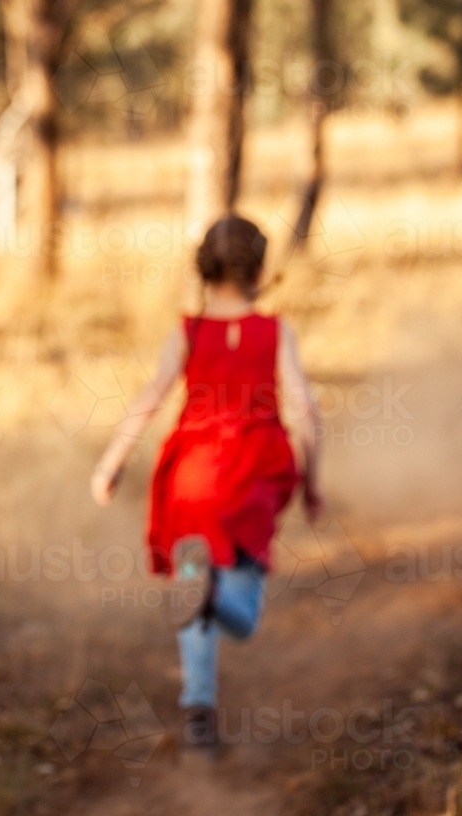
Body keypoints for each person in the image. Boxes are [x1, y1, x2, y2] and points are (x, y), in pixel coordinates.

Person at [90, 214, 323, 748]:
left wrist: (110, 463)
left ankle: (199, 708)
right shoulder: (275, 330)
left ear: (203, 267)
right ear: (261, 267)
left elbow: (148, 398)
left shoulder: (188, 331)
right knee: (240, 611)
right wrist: (312, 485)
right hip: (252, 480)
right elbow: (306, 410)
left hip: (191, 481)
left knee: (189, 582)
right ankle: (215, 603)